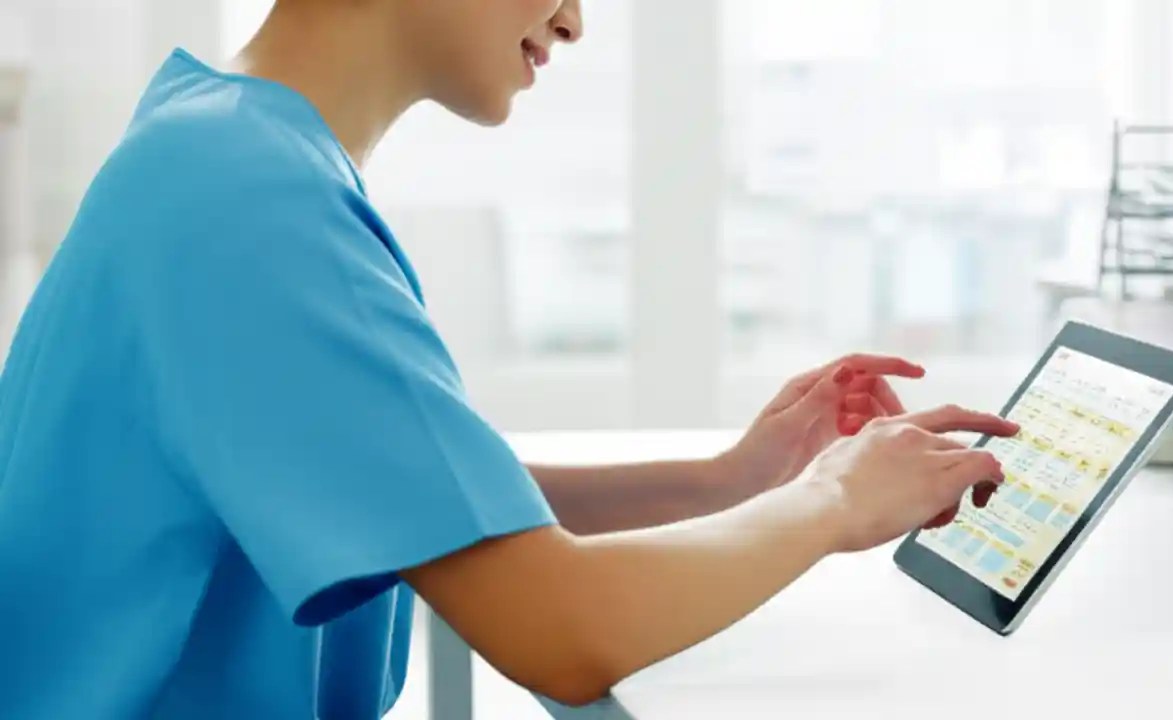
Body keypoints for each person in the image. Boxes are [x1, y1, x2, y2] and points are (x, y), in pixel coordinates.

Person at [0, 1, 1018, 717]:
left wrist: (732, 479)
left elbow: (417, 499)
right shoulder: (249, 199)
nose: (574, 18)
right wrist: (832, 503)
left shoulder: (213, 143)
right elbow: (561, 633)